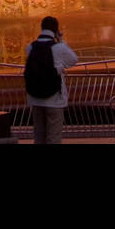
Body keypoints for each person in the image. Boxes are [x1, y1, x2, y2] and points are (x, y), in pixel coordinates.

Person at [24, 15, 78, 145]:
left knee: (39, 137)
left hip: (35, 98)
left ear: (41, 28)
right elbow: (73, 59)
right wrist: (60, 40)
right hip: (54, 99)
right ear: (56, 29)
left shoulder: (30, 47)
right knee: (53, 137)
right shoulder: (58, 48)